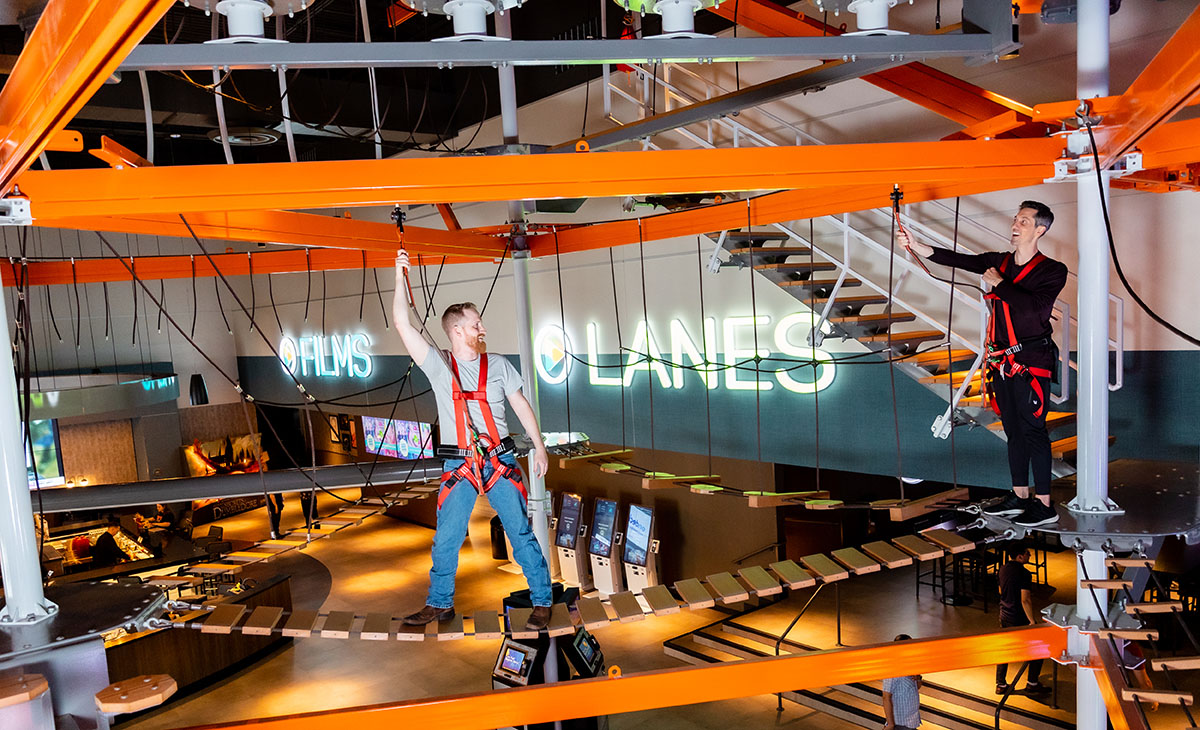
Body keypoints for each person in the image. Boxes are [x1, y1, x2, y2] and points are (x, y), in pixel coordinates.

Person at [393, 251, 554, 631]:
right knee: (447, 538)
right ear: (457, 331)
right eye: (476, 323)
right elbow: (402, 321)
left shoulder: (497, 364)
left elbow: (521, 404)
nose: (482, 327)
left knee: (520, 534)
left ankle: (542, 600)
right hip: (460, 465)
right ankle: (439, 603)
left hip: (499, 463)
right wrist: (399, 274)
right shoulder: (438, 364)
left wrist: (540, 445)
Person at [897, 201, 1067, 527]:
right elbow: (961, 260)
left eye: (1024, 221)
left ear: (1040, 230)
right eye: (1016, 218)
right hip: (1002, 360)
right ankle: (1020, 497)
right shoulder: (998, 262)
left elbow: (1035, 309)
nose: (1015, 225)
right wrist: (918, 246)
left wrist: (1000, 284)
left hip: (1032, 361)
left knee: (1034, 431)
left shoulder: (1051, 270)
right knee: (1013, 431)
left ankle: (1044, 506)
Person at [995, 544, 1051, 695]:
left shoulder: (1003, 569)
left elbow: (1001, 590)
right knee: (1039, 649)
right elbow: (1025, 600)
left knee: (1004, 649)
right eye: (1027, 553)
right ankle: (1032, 682)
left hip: (1004, 614)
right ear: (1020, 556)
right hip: (1018, 617)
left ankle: (1000, 684)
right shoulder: (1024, 574)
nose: (1029, 556)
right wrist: (1032, 621)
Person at [882, 634, 922, 729]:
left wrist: (919, 677)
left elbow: (917, 687)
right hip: (900, 723)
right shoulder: (892, 669)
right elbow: (886, 697)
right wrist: (890, 724)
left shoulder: (911, 664)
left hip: (912, 720)